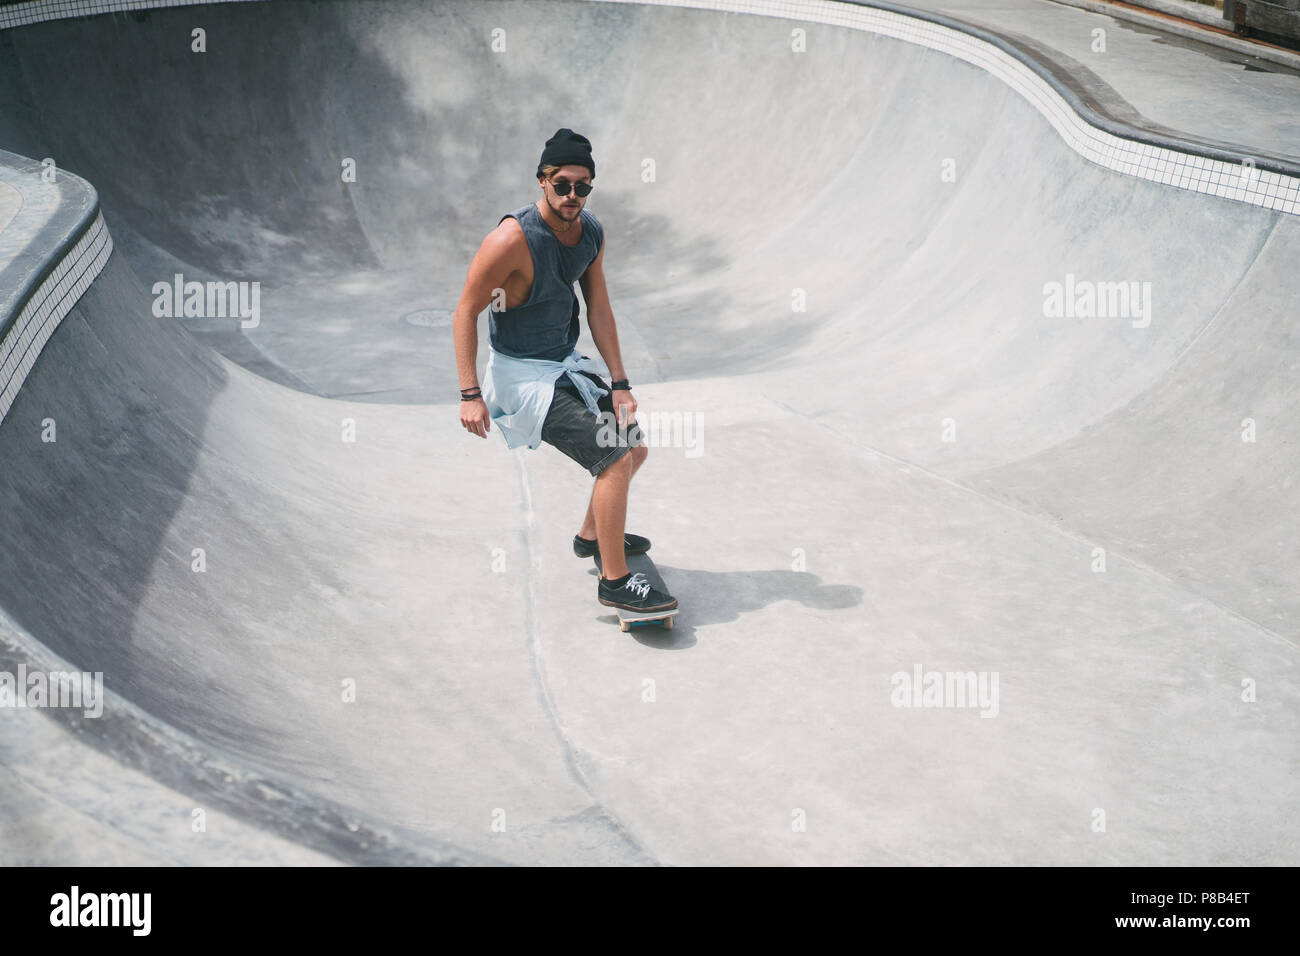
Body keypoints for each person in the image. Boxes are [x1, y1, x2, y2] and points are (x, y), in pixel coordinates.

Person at [453, 128, 676, 614]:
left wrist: (620, 384)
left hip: (562, 367)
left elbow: (599, 307)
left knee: (632, 448)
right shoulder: (510, 239)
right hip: (522, 378)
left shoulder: (591, 231)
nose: (573, 196)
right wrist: (470, 393)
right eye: (563, 185)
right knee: (614, 458)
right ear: (543, 182)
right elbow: (464, 312)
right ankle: (614, 582)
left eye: (583, 187)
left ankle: (591, 536)